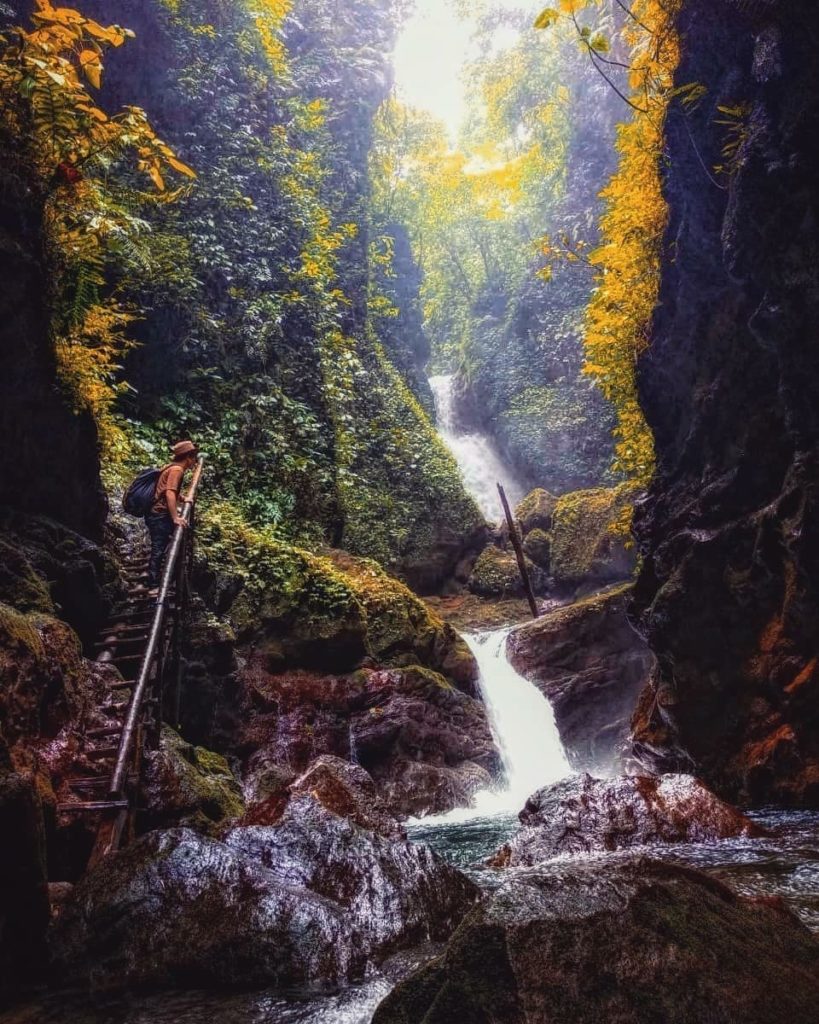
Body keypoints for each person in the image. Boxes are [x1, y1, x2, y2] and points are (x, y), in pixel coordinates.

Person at [145, 440, 198, 595]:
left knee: (161, 545)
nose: (194, 462)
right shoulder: (177, 470)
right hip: (159, 514)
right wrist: (176, 517)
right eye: (193, 457)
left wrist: (182, 499)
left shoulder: (171, 467)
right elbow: (168, 493)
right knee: (159, 548)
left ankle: (153, 576)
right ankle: (153, 585)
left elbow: (168, 490)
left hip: (156, 512)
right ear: (188, 457)